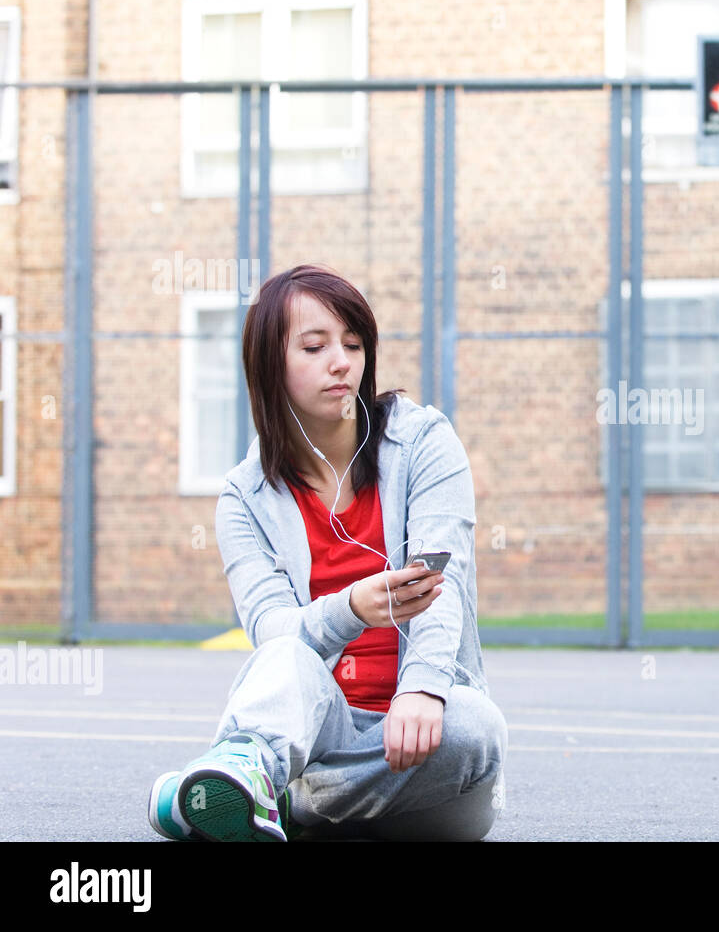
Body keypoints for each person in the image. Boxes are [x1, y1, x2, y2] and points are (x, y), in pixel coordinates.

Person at [146, 264, 507, 842]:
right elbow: (273, 633)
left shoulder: (424, 443)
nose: (341, 362)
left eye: (353, 344)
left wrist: (421, 688)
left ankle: (279, 801)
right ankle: (252, 776)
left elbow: (441, 583)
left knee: (474, 724)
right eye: (315, 347)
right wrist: (351, 609)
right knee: (287, 656)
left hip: (424, 761)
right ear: (269, 365)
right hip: (316, 732)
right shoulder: (243, 498)